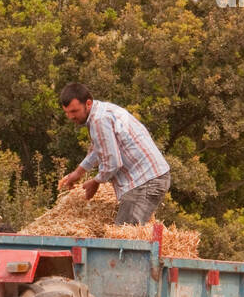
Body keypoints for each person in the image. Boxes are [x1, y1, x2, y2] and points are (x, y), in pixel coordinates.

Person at [57, 82, 172, 225]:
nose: (70, 117)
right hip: (148, 177)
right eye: (67, 112)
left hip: (144, 181)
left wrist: (96, 181)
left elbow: (113, 163)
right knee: (125, 236)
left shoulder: (99, 120)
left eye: (74, 111)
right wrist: (78, 172)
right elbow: (98, 148)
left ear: (88, 103)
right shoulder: (102, 112)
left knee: (122, 239)